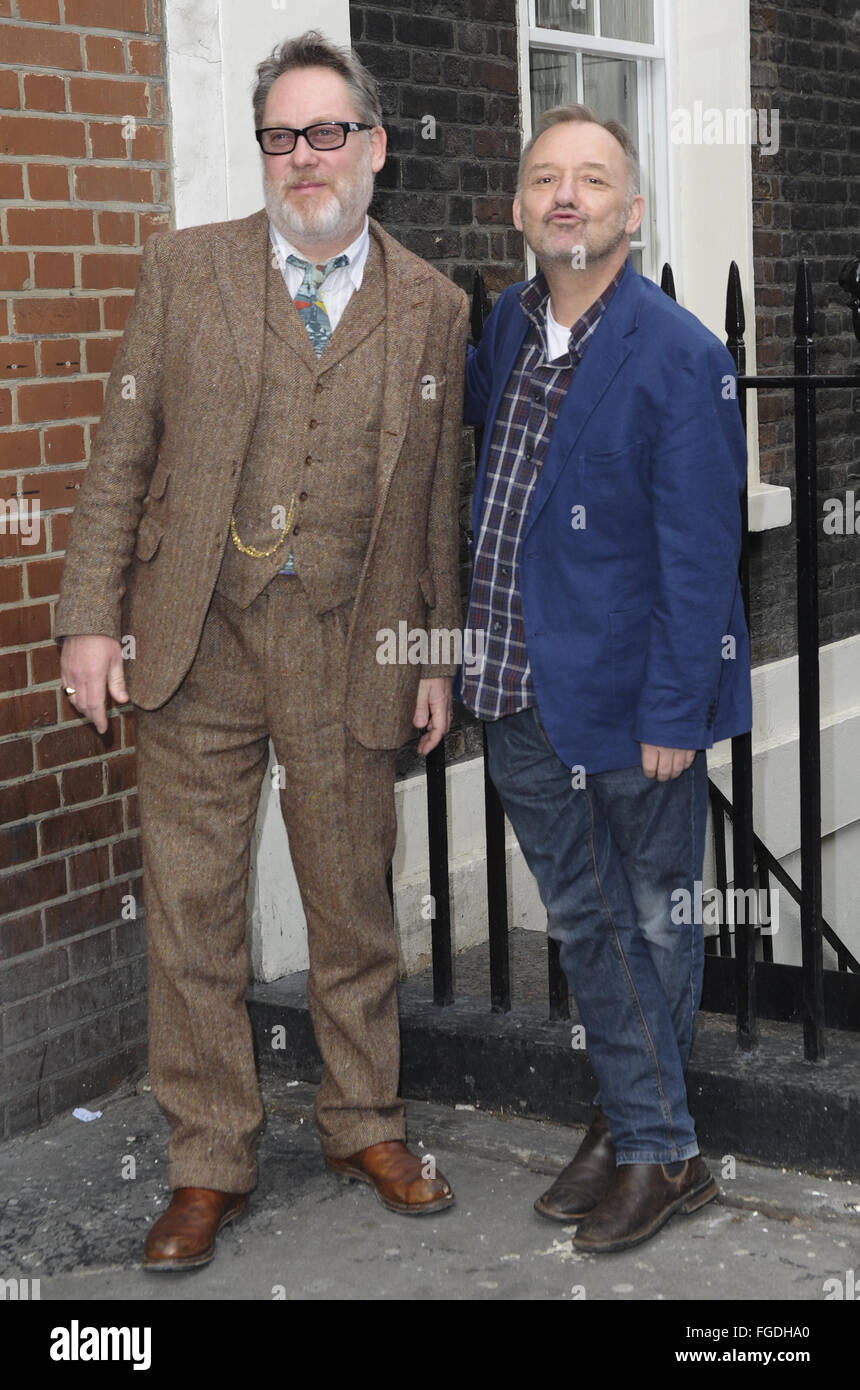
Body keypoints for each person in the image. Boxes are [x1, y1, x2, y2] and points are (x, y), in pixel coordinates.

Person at [55, 31, 468, 1271]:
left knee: (351, 900)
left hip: (351, 639)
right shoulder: (184, 272)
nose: (304, 157)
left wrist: (433, 651)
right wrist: (88, 617)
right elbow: (121, 452)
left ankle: (362, 1122)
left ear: (375, 147)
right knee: (190, 910)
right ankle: (206, 1162)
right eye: (281, 136)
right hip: (196, 636)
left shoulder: (437, 307)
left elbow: (438, 494)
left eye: (326, 131)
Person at [460, 104, 752, 1253]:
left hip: (634, 702)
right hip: (512, 684)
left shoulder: (681, 353)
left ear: (629, 212)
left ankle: (653, 1145)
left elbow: (698, 554)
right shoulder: (502, 330)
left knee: (649, 917)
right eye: (543, 178)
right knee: (588, 921)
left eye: (590, 179)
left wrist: (676, 707)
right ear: (521, 209)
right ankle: (644, 1123)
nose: (564, 196)